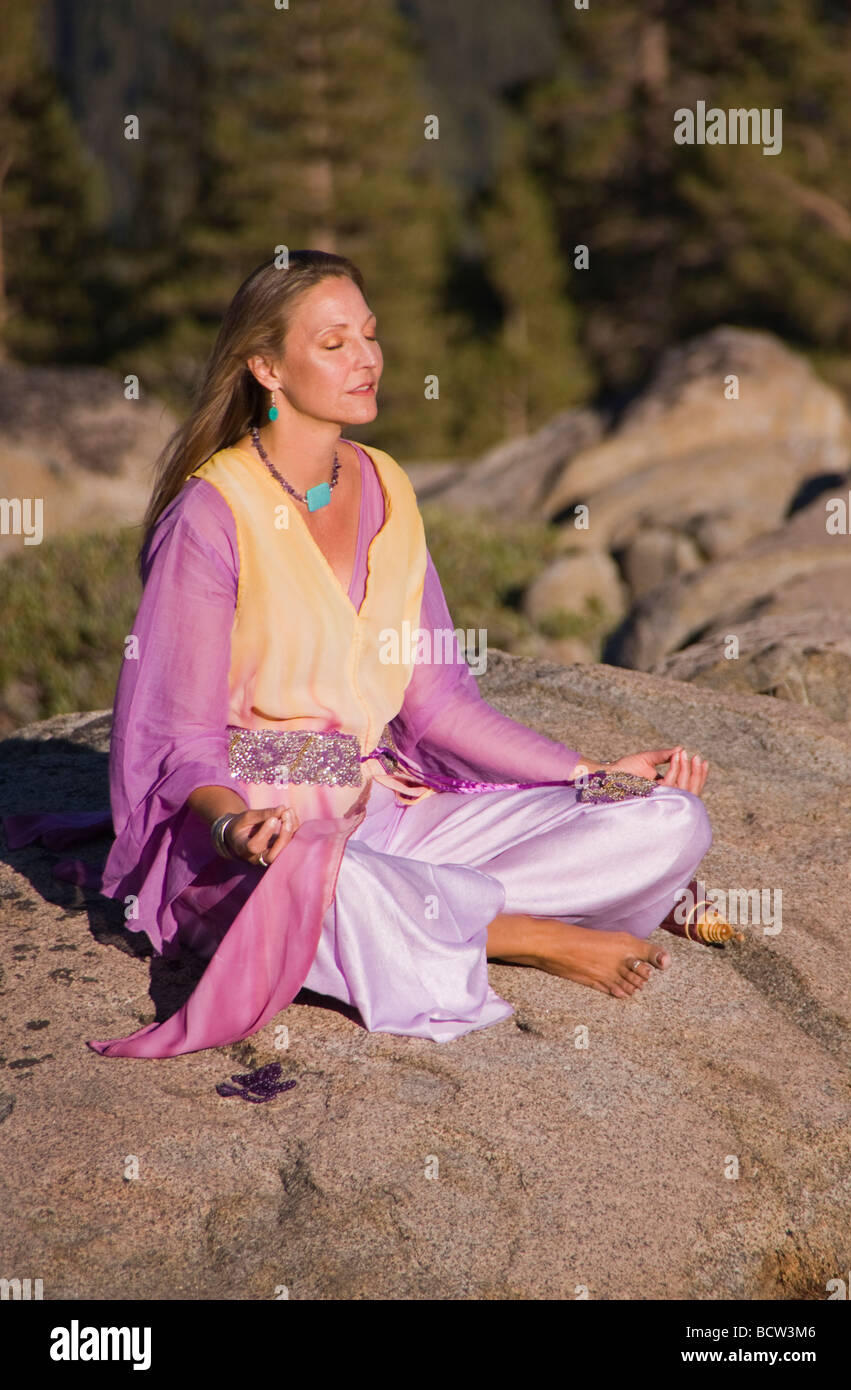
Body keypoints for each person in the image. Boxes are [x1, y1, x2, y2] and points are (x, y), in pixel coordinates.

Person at [4, 251, 714, 1058]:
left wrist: (590, 776)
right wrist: (235, 827)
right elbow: (179, 740)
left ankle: (433, 914)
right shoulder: (211, 516)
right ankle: (523, 935)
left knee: (666, 820)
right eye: (335, 342)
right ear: (266, 367)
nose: (368, 358)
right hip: (261, 838)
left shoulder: (386, 486)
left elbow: (441, 706)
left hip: (385, 808)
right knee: (322, 883)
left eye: (370, 336)